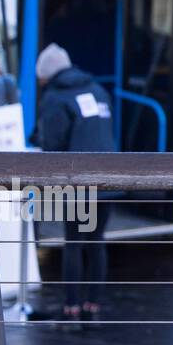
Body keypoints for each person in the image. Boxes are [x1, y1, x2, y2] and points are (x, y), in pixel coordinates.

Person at [29, 43, 118, 328]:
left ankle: (70, 308)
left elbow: (53, 143)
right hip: (108, 178)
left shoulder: (55, 97)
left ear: (47, 74)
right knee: (96, 242)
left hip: (76, 181)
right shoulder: (97, 89)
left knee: (74, 244)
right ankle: (93, 305)